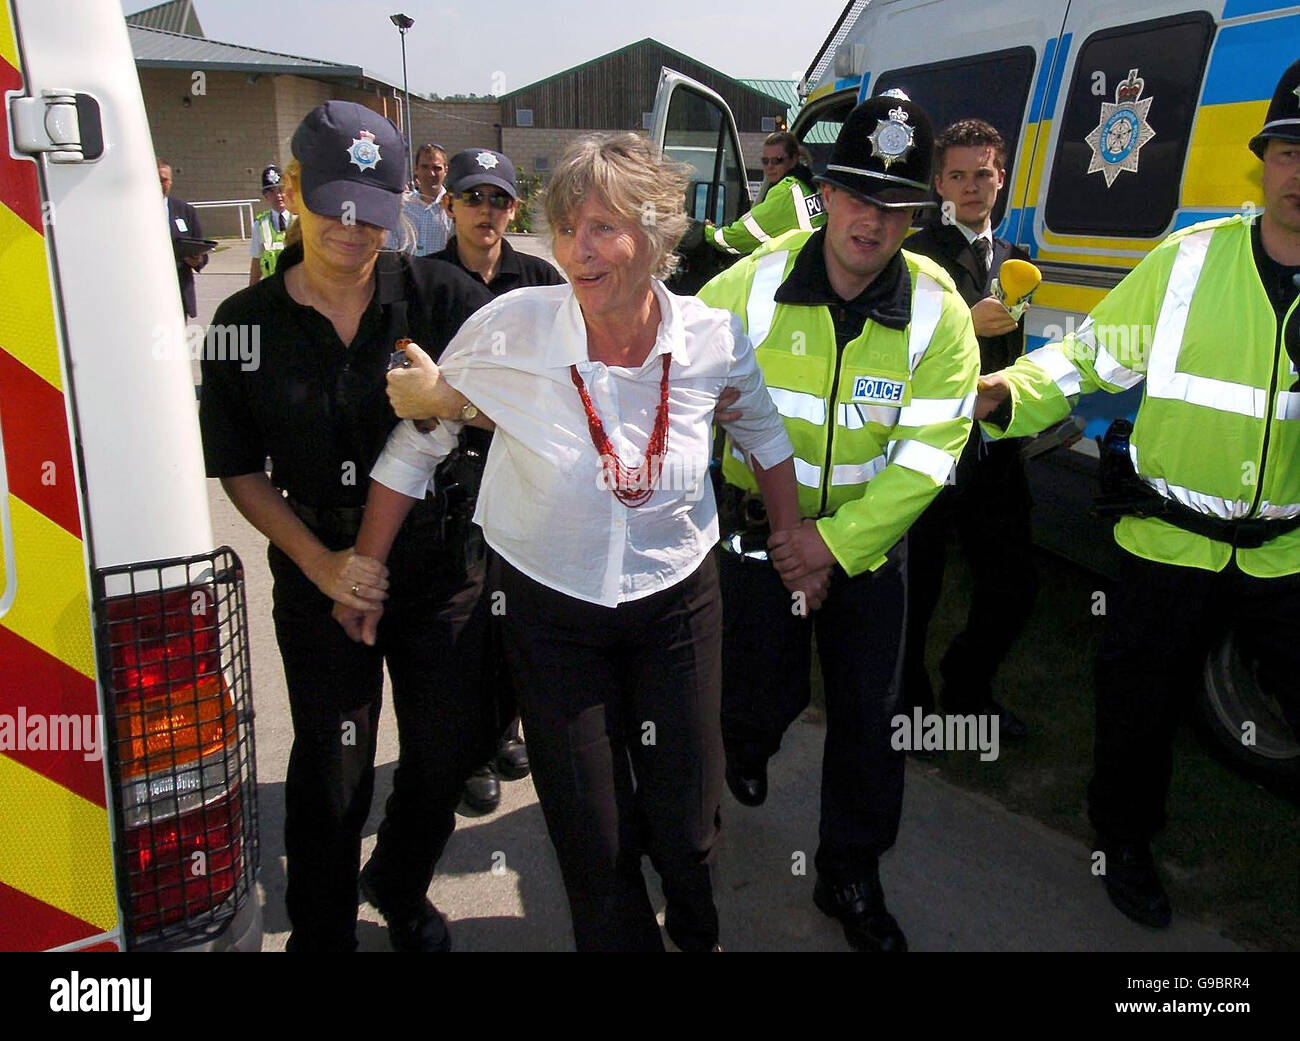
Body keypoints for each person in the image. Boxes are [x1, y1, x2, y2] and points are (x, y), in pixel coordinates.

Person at [344, 132, 802, 952]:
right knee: (594, 842)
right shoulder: (514, 328)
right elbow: (419, 440)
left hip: (677, 606)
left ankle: (698, 929)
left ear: (657, 235)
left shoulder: (710, 338)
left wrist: (794, 528)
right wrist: (364, 568)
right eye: (564, 227)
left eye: (602, 227)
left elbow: (762, 429)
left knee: (687, 823)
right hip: (550, 615)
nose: (576, 251)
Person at [976, 59, 1300, 930]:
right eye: (1290, 151)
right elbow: (1087, 358)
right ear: (1264, 159)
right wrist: (1006, 393)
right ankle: (1122, 843)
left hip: (1285, 554)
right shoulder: (1190, 261)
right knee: (1137, 715)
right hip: (1166, 543)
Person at [198, 100, 495, 952]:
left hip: (439, 562)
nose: (353, 229)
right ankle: (322, 932)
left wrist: (455, 401)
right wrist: (324, 566)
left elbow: (521, 401)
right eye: (332, 204)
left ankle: (399, 882)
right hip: (318, 565)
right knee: (335, 770)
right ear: (292, 191)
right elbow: (240, 468)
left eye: (373, 208)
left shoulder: (442, 296)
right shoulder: (241, 326)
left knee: (448, 752)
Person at [697, 92, 980, 952]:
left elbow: (931, 457)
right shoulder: (751, 284)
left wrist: (830, 545)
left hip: (865, 554)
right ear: (823, 190)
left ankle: (850, 874)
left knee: (871, 719)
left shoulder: (939, 311)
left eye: (897, 206)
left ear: (918, 213)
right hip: (751, 545)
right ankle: (743, 744)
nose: (874, 221)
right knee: (759, 696)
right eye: (859, 195)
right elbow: (669, 381)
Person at [427, 146, 566, 814]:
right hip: (449, 477)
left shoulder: (539, 278)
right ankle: (466, 753)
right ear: (448, 203)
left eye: (499, 199)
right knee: (461, 629)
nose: (486, 211)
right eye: (472, 197)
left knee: (518, 616)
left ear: (515, 208)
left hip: (522, 470)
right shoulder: (420, 281)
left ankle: (504, 730)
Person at [900, 119, 1034, 738]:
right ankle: (909, 706)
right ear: (938, 183)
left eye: (984, 173)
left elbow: (1018, 358)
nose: (973, 187)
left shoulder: (1015, 261)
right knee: (916, 589)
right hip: (927, 445)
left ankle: (968, 689)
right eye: (958, 175)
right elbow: (889, 347)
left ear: (1001, 178)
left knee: (1012, 587)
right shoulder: (913, 255)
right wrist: (960, 323)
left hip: (994, 452)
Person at [707, 130, 825, 256]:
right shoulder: (811, 186)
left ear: (793, 159)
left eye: (777, 161)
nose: (769, 166)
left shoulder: (785, 192)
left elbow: (740, 236)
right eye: (765, 161)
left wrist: (708, 233)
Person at [160, 159, 206, 318]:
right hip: (152, 291)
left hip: (180, 290)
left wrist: (197, 260)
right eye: (157, 179)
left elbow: (201, 250)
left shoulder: (185, 211)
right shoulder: (136, 212)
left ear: (171, 182)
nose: (161, 184)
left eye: (164, 180)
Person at [404, 143, 455, 256]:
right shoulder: (403, 207)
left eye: (436, 168)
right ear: (416, 169)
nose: (431, 174)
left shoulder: (455, 209)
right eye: (425, 167)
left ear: (446, 170)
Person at [248, 164, 294, 285]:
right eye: (271, 192)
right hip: (273, 289)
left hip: (299, 290)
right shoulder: (260, 225)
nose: (278, 196)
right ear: (265, 196)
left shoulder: (299, 220)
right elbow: (256, 262)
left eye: (280, 190)